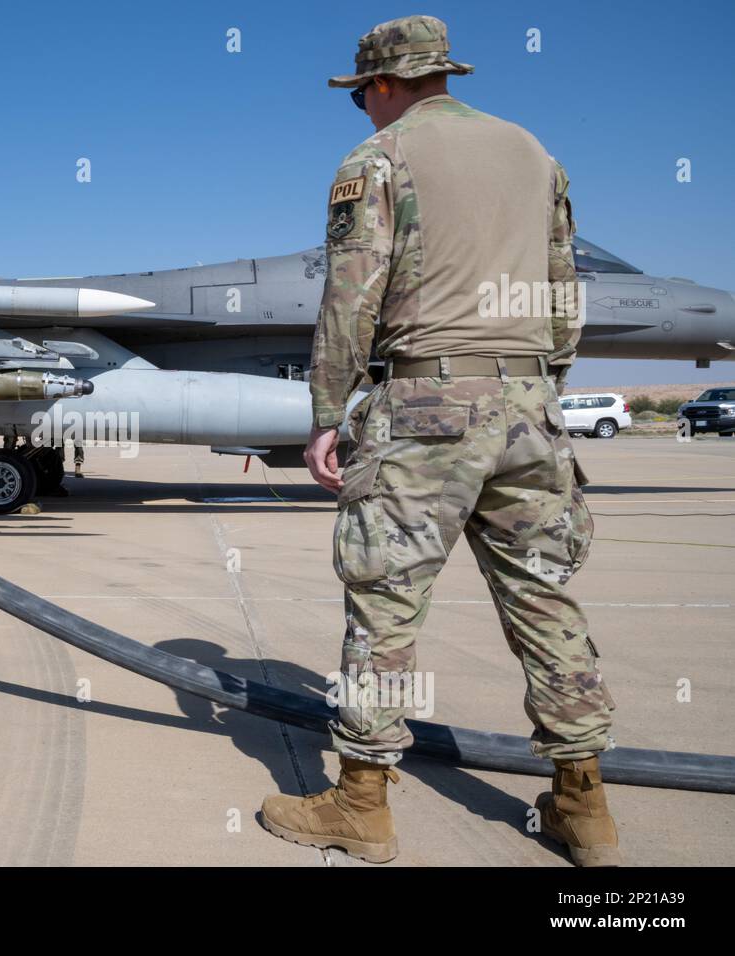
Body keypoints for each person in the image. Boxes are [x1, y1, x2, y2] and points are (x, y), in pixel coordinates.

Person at [259, 16, 617, 866]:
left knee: (383, 600)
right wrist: (536, 389)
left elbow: (352, 294)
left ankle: (361, 806)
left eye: (362, 97)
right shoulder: (537, 153)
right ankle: (586, 808)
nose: (361, 112)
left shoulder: (379, 159)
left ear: (383, 85)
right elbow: (568, 292)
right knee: (544, 595)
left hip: (425, 402)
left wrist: (326, 412)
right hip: (530, 402)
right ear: (442, 74)